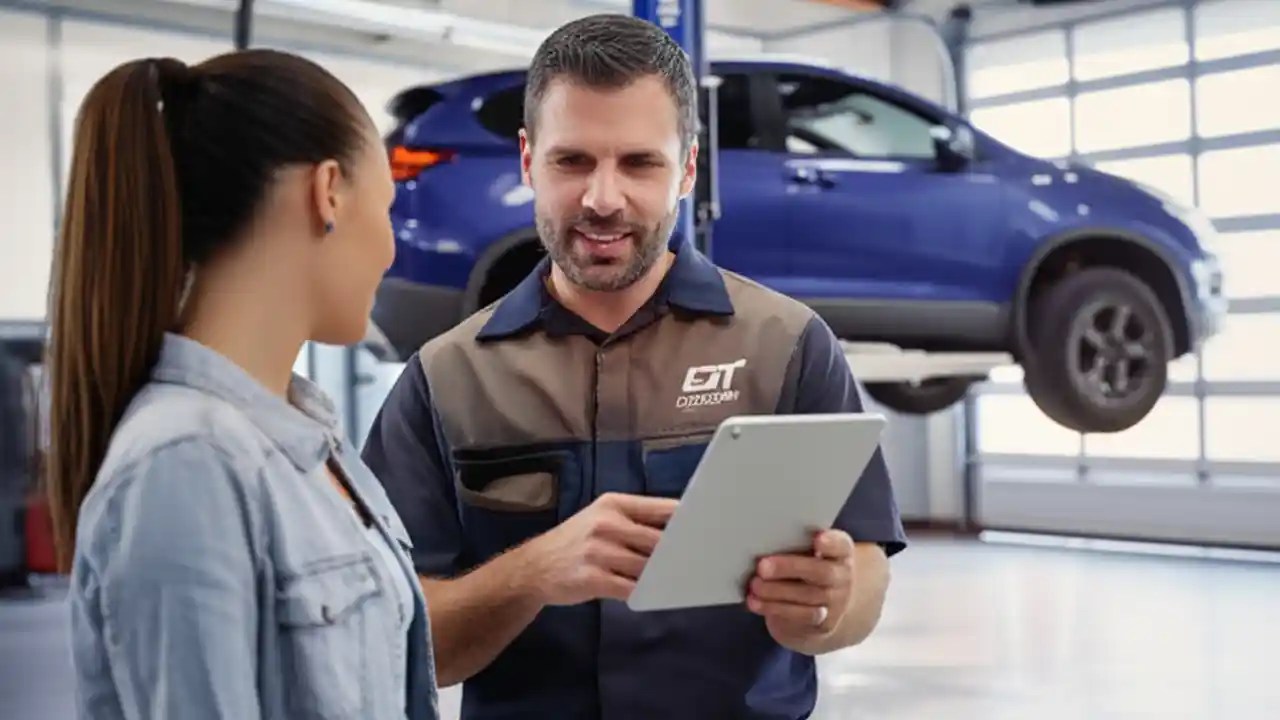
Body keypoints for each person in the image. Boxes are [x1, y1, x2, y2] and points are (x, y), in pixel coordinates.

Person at [362, 13, 908, 720]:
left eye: (639, 162)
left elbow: (862, 566)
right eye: (573, 161)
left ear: (686, 167)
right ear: (529, 162)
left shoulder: (789, 346)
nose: (603, 199)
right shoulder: (446, 379)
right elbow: (398, 639)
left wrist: (830, 603)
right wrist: (533, 573)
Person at [44, 49, 439, 720]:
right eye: (389, 207)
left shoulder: (309, 445)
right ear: (329, 193)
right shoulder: (186, 463)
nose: (393, 247)